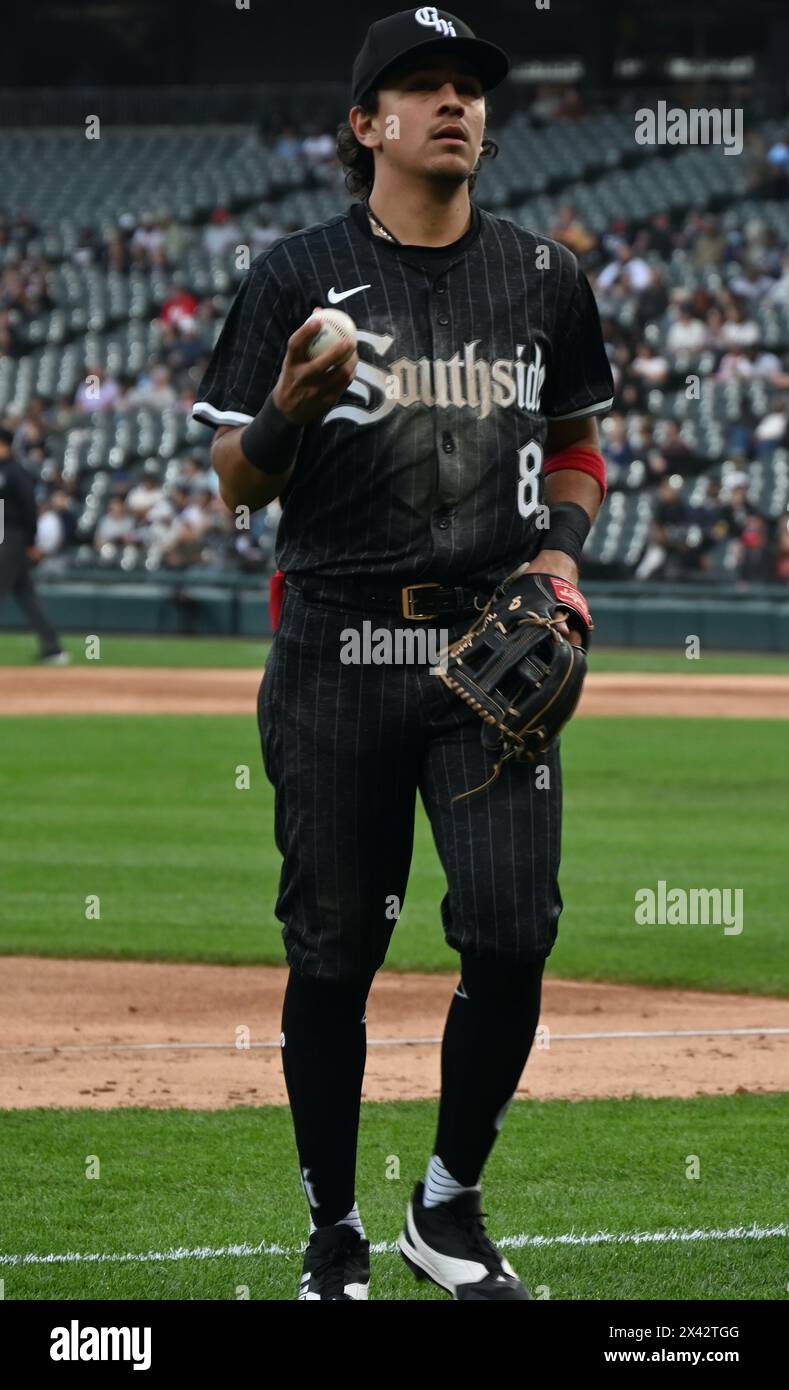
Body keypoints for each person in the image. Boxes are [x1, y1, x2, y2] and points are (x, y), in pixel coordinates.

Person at [192, 6, 612, 1302]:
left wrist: (560, 556)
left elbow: (579, 443)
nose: (455, 105)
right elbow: (231, 484)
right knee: (332, 951)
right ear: (365, 124)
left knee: (509, 932)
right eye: (421, 87)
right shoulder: (292, 274)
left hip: (489, 646)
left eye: (469, 88)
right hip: (332, 646)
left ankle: (448, 1206)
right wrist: (285, 411)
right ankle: (333, 1229)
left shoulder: (545, 277)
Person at [0, 427, 69, 663]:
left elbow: (29, 510)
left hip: (12, 537)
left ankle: (54, 649)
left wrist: (30, 541)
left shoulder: (15, 472)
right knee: (26, 594)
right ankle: (53, 649)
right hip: (5, 536)